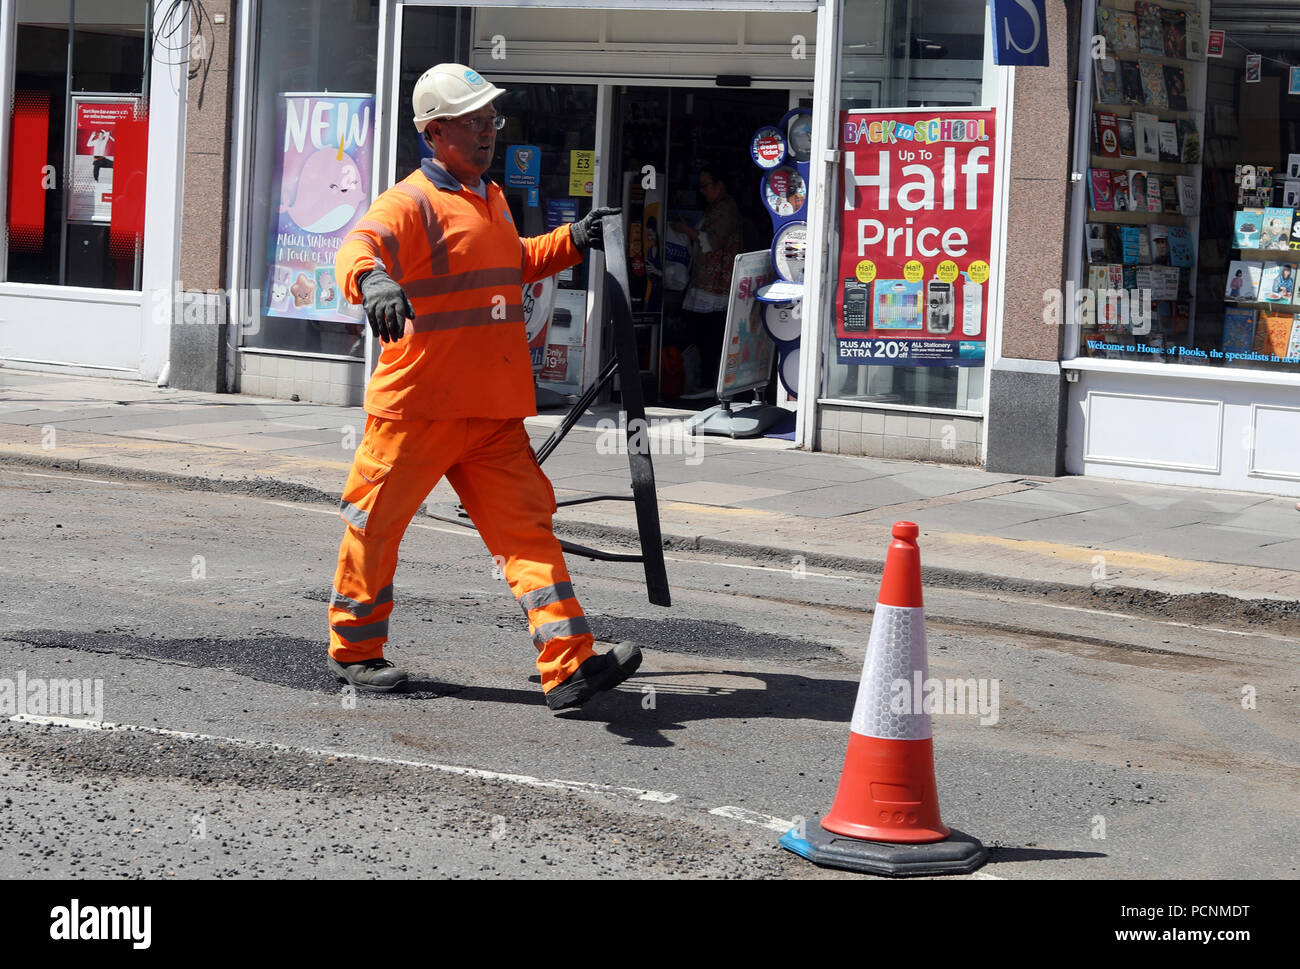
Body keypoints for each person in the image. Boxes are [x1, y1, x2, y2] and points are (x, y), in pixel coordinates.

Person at [328, 63, 635, 711]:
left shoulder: (489, 198)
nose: (488, 130)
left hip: (492, 414)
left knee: (528, 532)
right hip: (420, 408)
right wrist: (373, 282)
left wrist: (574, 240)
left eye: (491, 118)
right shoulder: (409, 202)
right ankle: (355, 649)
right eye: (474, 120)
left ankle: (569, 665)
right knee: (376, 524)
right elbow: (359, 246)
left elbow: (516, 261)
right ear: (435, 132)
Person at [672, 167, 741, 394]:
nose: (702, 191)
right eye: (699, 187)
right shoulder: (714, 208)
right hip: (705, 283)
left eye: (706, 186)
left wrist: (686, 230)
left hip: (716, 287)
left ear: (720, 185)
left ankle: (708, 384)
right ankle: (701, 382)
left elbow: (712, 242)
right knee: (702, 334)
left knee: (709, 335)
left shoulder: (726, 209)